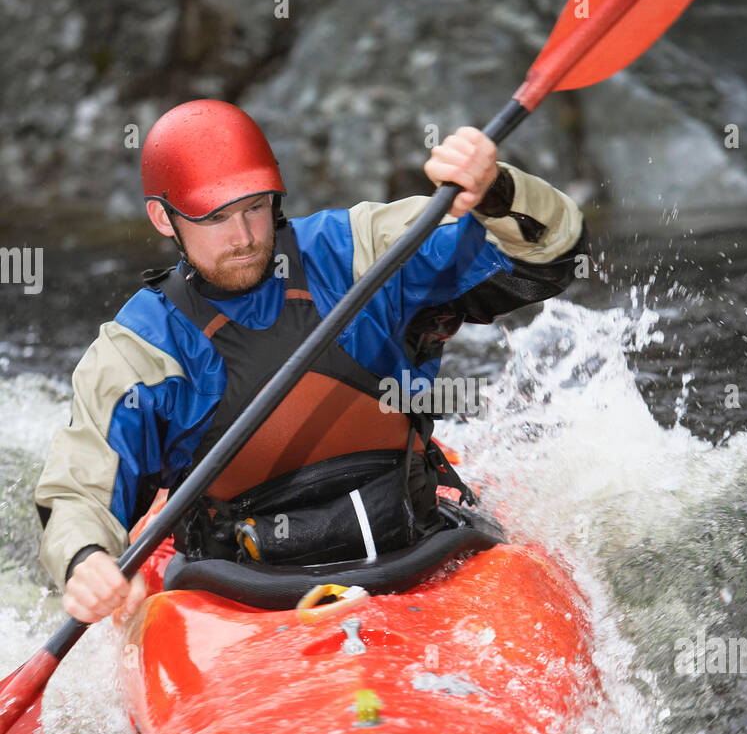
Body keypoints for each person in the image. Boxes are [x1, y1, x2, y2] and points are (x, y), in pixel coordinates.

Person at [34, 99, 585, 624]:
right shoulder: (140, 349)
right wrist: (84, 558)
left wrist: (495, 191)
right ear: (163, 218)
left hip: (422, 556)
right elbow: (80, 490)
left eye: (255, 207)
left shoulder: (358, 253)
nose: (246, 236)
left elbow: (550, 255)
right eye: (216, 218)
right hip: (242, 596)